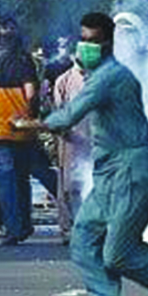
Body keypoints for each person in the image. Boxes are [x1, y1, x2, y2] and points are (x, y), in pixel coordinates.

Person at [12, 12, 148, 296]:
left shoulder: (111, 77)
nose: (86, 46)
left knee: (117, 255)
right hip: (108, 173)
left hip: (132, 173)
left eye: (93, 41)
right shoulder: (98, 76)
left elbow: (69, 115)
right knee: (82, 240)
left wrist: (27, 125)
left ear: (108, 43)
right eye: (83, 39)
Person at [0, 17, 59, 244]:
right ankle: (24, 225)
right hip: (21, 126)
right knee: (24, 176)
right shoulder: (23, 59)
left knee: (8, 179)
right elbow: (31, 94)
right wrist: (30, 116)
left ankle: (16, 228)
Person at [51, 53, 93, 243]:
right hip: (71, 140)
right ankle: (68, 227)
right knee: (68, 185)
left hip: (96, 139)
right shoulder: (64, 81)